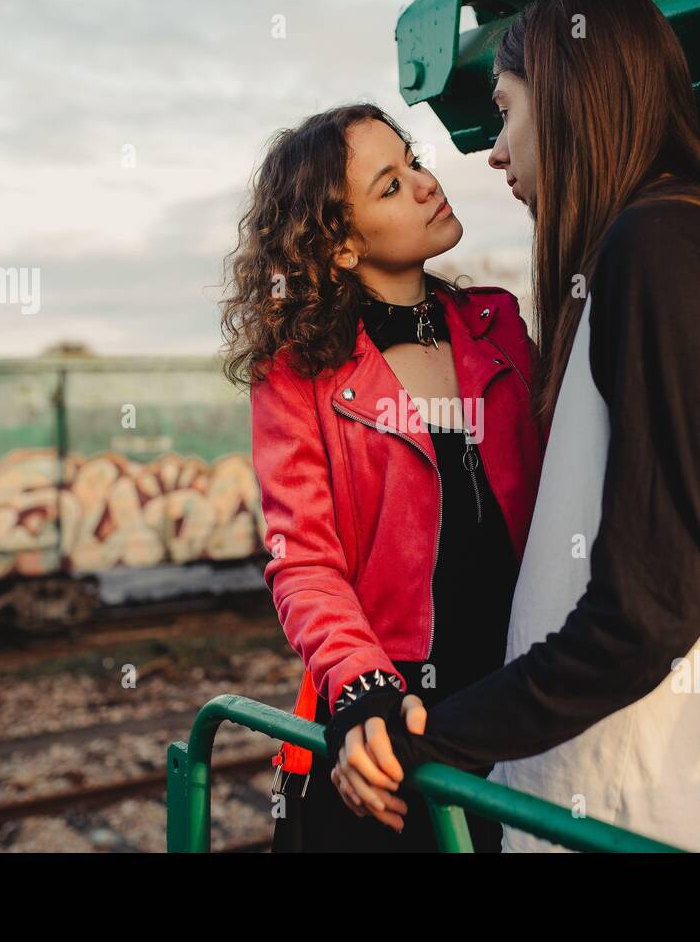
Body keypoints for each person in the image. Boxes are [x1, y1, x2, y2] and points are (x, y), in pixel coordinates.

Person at [330, 0, 700, 853]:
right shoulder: (664, 246)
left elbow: (649, 608)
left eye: (505, 112)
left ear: (572, 94)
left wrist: (428, 739)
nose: (495, 152)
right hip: (608, 798)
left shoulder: (657, 251)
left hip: (619, 809)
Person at [220, 103, 544, 851]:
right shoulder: (295, 372)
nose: (428, 186)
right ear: (338, 245)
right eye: (391, 186)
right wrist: (362, 685)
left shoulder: (499, 328)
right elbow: (302, 558)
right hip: (387, 717)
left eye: (416, 164)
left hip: (514, 707)